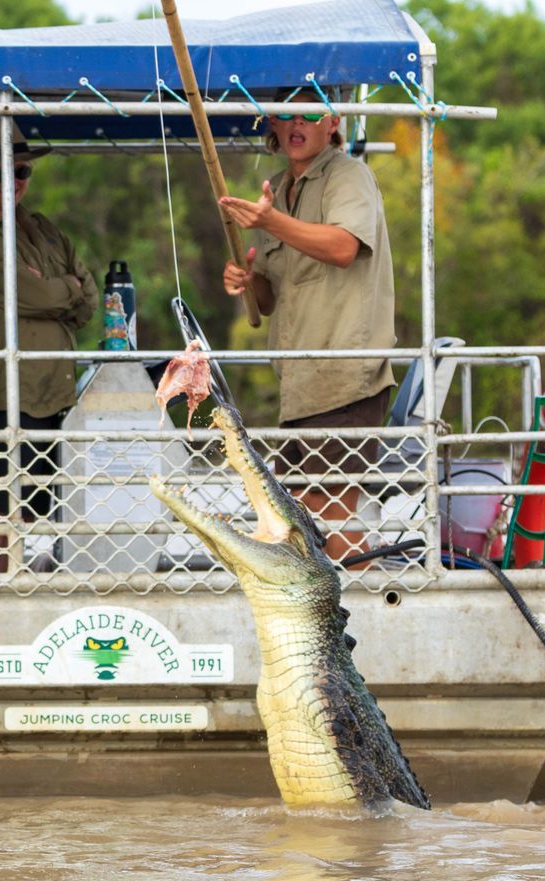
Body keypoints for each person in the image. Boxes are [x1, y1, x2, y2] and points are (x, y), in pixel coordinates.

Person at [219, 86, 396, 559]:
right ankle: (328, 622)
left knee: (332, 516)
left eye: (310, 112)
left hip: (345, 381)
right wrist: (246, 281)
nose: (297, 124)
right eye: (286, 113)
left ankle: (357, 622)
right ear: (271, 124)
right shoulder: (277, 190)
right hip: (299, 385)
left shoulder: (349, 175)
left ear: (332, 122)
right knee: (301, 520)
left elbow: (342, 248)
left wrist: (271, 222)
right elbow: (272, 300)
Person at [0, 120, 98, 572]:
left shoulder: (43, 227)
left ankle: (6, 594)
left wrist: (60, 288)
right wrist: (60, 288)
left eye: (22, 171)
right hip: (5, 393)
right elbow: (31, 296)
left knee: (32, 505)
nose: (13, 182)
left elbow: (89, 297)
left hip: (51, 391)